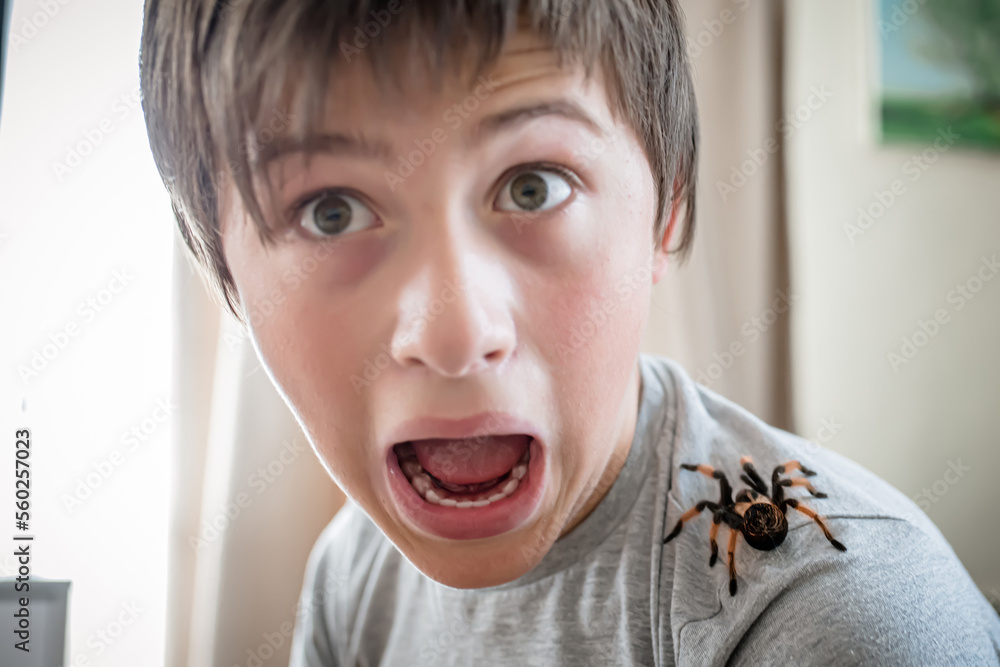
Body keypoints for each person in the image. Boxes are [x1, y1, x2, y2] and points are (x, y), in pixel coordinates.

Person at [138, 0, 1000, 663]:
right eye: (331, 211)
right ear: (222, 268)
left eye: (532, 187)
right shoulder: (354, 575)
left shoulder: (846, 619)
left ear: (667, 210)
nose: (453, 334)